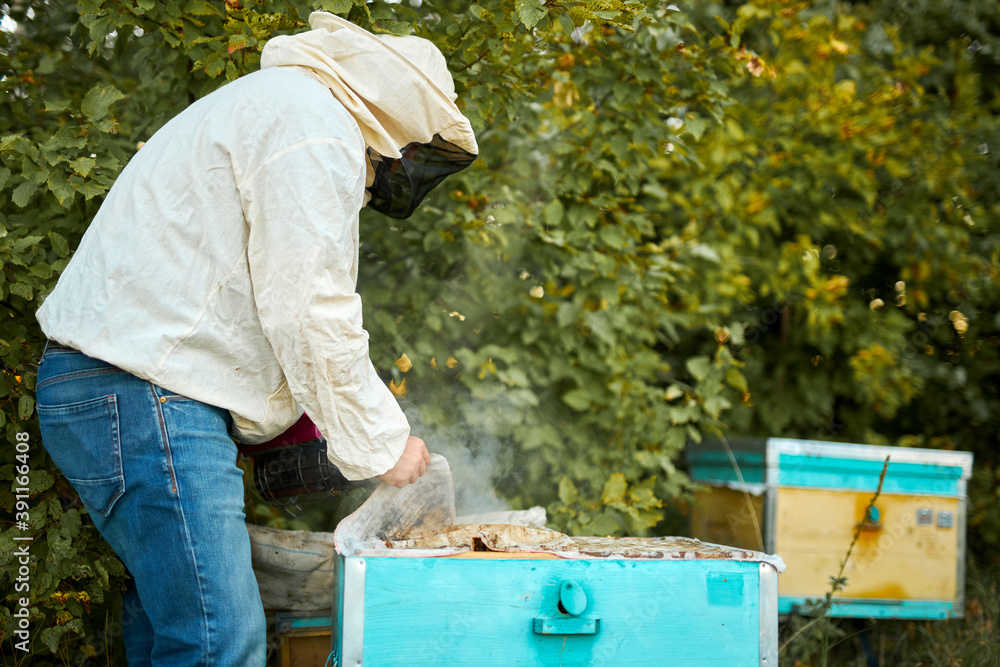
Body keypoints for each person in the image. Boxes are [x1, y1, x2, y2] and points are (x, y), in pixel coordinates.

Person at [34, 12, 477, 666]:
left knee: (174, 634)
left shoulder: (277, 110)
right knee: (219, 644)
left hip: (117, 391)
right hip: (146, 395)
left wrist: (307, 427)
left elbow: (256, 305)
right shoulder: (313, 128)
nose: (396, 172)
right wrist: (383, 442)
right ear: (396, 126)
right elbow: (311, 309)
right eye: (408, 155)